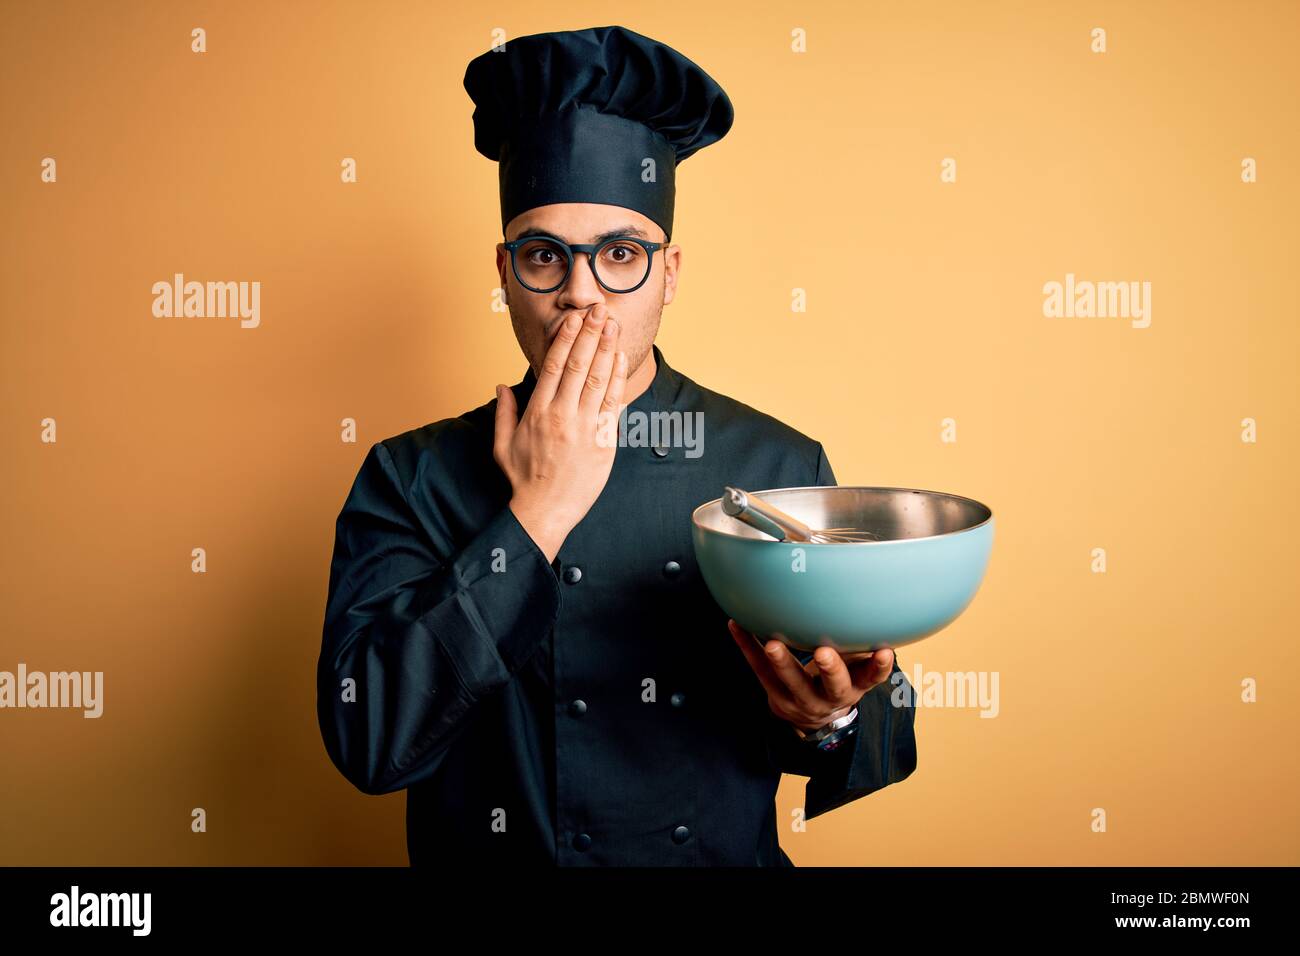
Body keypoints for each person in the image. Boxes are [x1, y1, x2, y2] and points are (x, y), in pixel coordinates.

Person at [316, 24, 917, 866]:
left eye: (621, 255)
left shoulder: (775, 467)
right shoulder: (409, 476)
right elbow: (369, 739)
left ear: (669, 272)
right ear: (504, 272)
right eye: (544, 257)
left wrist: (828, 718)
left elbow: (863, 715)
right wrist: (537, 514)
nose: (581, 295)